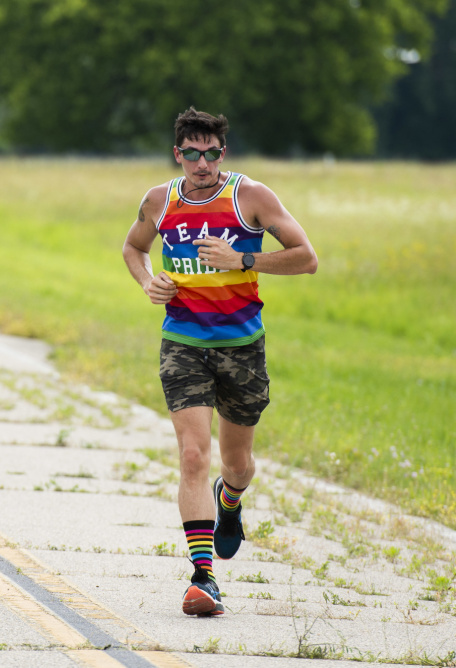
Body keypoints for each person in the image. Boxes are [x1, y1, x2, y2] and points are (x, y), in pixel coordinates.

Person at [122, 107, 318, 617]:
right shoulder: (159, 200)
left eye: (211, 153)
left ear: (222, 154)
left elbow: (306, 257)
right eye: (193, 153)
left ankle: (229, 500)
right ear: (178, 154)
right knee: (192, 455)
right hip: (182, 342)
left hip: (242, 347)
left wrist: (244, 260)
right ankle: (204, 578)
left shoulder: (251, 197)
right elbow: (132, 248)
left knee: (238, 465)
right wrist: (149, 283)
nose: (202, 163)